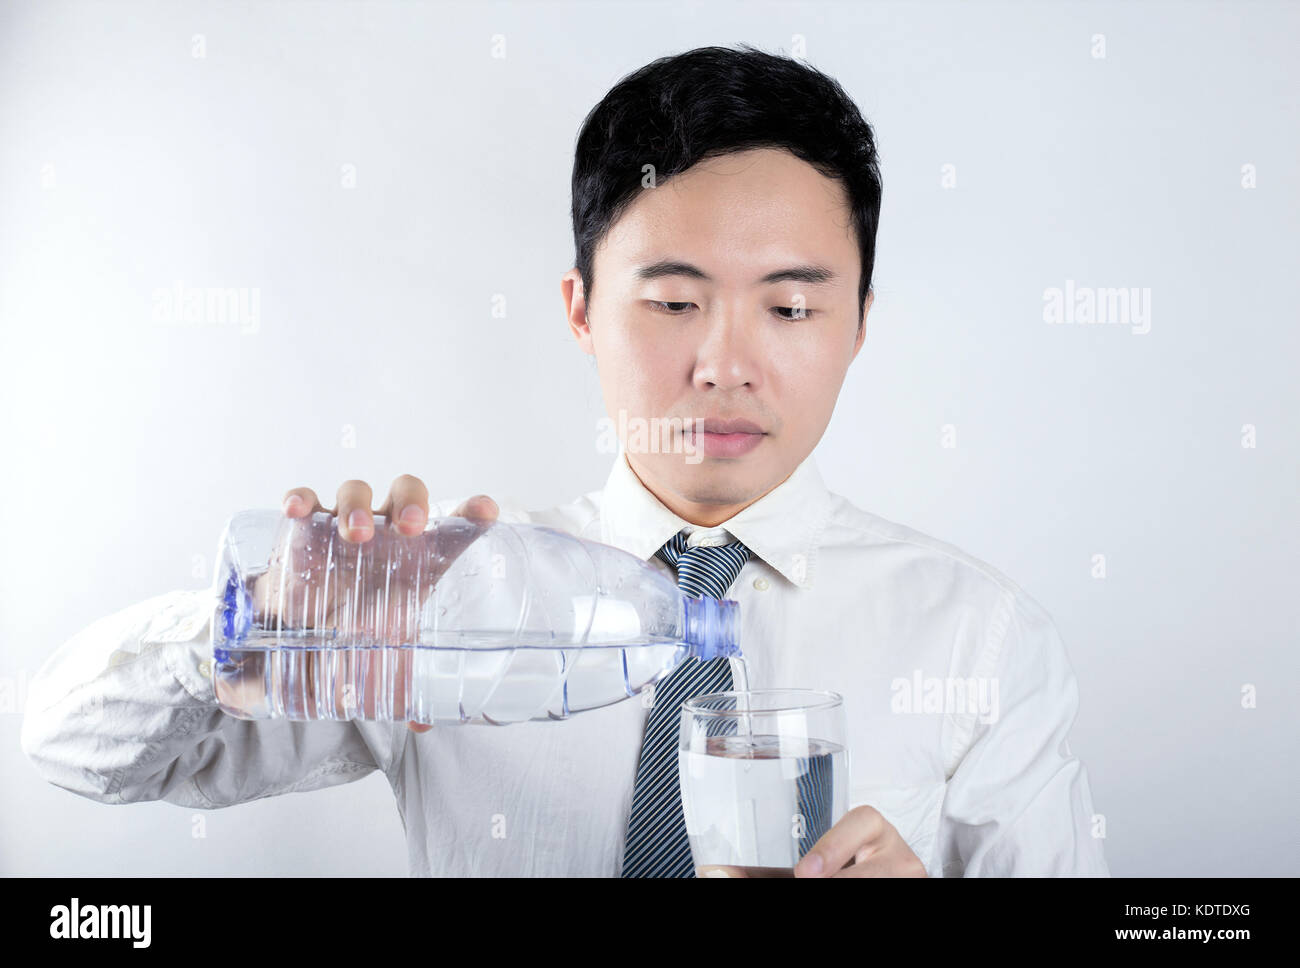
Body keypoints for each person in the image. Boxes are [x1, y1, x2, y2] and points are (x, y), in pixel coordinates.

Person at [21, 44, 1108, 877]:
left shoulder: (977, 636)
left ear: (858, 321)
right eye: (676, 300)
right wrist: (264, 613)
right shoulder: (447, 593)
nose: (725, 364)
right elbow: (77, 749)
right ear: (580, 310)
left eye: (788, 304)